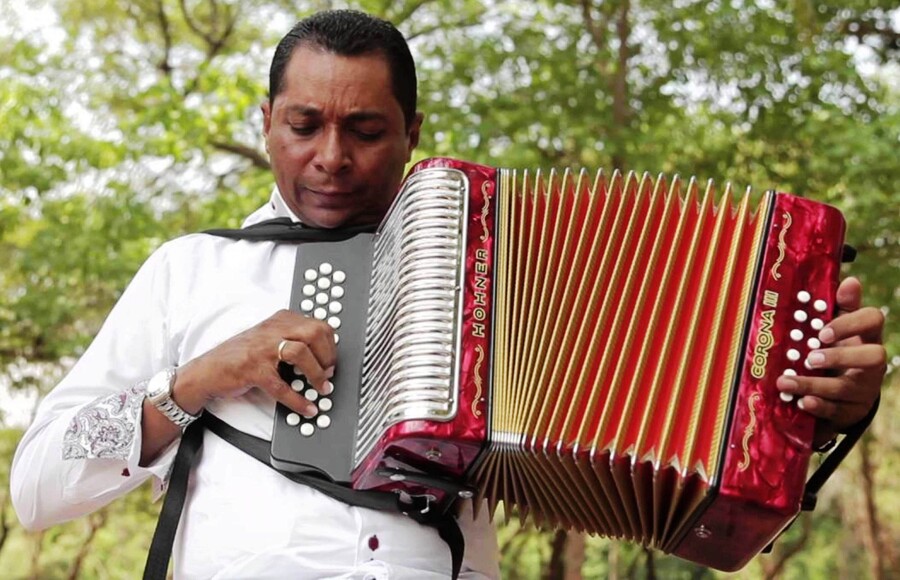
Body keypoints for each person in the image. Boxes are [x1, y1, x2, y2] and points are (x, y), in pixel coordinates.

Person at [9, 8, 886, 579]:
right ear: (265, 122)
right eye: (303, 125)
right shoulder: (191, 268)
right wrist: (192, 383)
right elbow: (37, 489)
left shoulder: (506, 264)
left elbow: (676, 383)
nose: (331, 158)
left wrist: (818, 405)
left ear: (412, 133)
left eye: (365, 130)